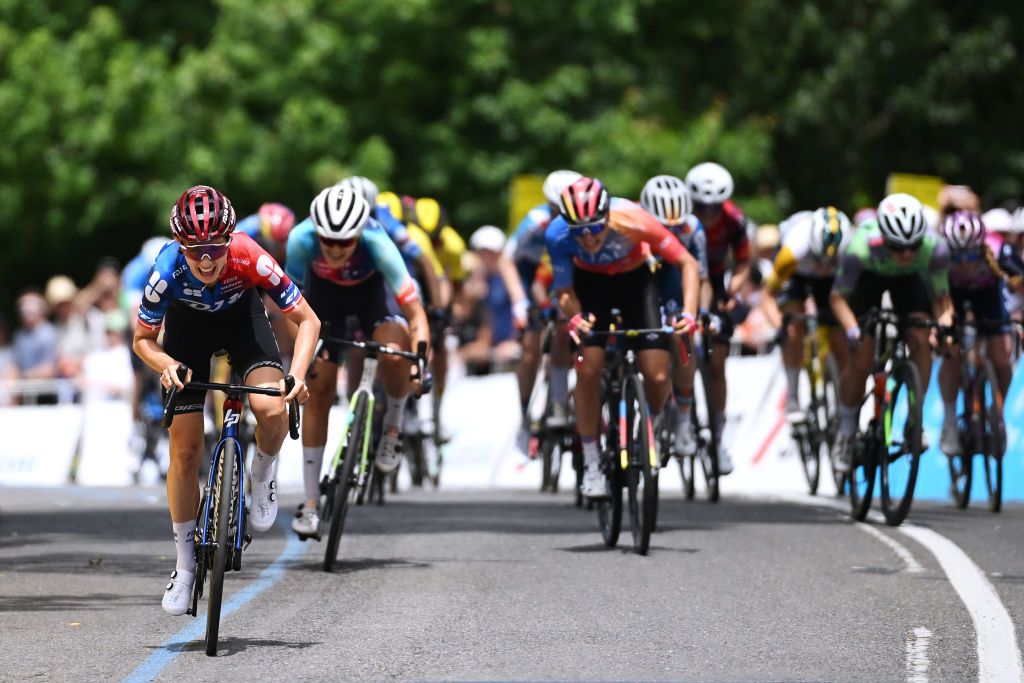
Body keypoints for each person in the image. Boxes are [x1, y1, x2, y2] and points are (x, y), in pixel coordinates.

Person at [132, 185, 319, 616]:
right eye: (195, 250)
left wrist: (297, 373)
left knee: (271, 407)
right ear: (180, 244)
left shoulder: (249, 254)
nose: (206, 260)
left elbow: (307, 320)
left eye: (215, 247)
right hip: (187, 334)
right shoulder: (165, 270)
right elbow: (142, 340)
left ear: (229, 239)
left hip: (242, 322)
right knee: (184, 452)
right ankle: (184, 564)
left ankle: (263, 471)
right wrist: (166, 364)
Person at [285, 185, 429, 539]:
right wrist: (303, 360)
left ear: (359, 234)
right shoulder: (300, 239)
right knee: (318, 388)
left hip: (372, 299)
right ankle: (310, 502)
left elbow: (415, 314)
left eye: (345, 242)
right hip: (323, 304)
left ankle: (393, 427)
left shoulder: (378, 242)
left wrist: (419, 363)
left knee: (394, 353)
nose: (335, 249)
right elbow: (291, 308)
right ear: (316, 232)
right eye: (328, 240)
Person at [547, 177, 699, 498]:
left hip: (635, 282)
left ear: (607, 217)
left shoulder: (633, 219)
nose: (588, 238)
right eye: (579, 231)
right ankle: (591, 463)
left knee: (657, 374)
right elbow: (564, 291)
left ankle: (651, 427)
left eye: (594, 228)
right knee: (588, 368)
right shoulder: (556, 235)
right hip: (590, 286)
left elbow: (687, 262)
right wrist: (575, 316)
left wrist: (689, 314)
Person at [829, 193, 953, 472]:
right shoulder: (860, 248)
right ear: (884, 238)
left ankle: (914, 420)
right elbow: (837, 298)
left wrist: (944, 326)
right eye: (898, 247)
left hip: (909, 282)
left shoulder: (935, 248)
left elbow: (941, 299)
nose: (906, 254)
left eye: (913, 246)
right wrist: (852, 330)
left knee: (921, 338)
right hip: (868, 281)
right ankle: (846, 432)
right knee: (861, 359)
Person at [684, 162, 752, 474]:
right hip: (681, 278)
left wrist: (733, 289)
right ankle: (679, 415)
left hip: (716, 281)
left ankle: (719, 438)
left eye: (715, 208)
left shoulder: (735, 220)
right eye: (702, 207)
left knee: (717, 365)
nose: (709, 214)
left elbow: (743, 262)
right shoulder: (680, 214)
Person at [508, 171, 581, 447]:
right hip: (534, 279)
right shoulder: (535, 221)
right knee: (531, 348)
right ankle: (525, 413)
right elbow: (507, 260)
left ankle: (572, 398)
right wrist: (520, 303)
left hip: (568, 277)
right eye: (556, 210)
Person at [936, 211, 1017, 455]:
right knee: (951, 354)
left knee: (1002, 357)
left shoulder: (998, 249)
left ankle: (996, 411)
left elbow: (1019, 279)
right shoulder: (937, 255)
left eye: (971, 255)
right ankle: (950, 421)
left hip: (988, 296)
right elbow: (934, 296)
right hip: (953, 297)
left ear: (981, 248)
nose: (964, 263)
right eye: (957, 256)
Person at [760, 207, 852, 421]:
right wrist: (780, 326)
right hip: (795, 275)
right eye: (820, 260)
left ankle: (844, 402)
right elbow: (767, 296)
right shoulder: (792, 251)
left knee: (840, 336)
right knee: (793, 326)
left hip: (829, 282)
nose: (824, 267)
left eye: (830, 262)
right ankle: (793, 398)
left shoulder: (850, 249)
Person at [639, 174, 708, 456]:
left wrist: (699, 314)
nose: (669, 231)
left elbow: (701, 278)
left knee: (683, 337)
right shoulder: (633, 221)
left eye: (675, 226)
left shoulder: (693, 228)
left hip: (674, 279)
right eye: (662, 226)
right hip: (641, 278)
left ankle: (683, 421)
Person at [467, 225, 527, 370]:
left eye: (486, 252)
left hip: (514, 345)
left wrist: (515, 341)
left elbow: (521, 308)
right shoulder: (486, 279)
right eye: (480, 252)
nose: (482, 257)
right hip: (496, 346)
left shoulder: (507, 270)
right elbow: (489, 319)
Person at [6, 291, 59, 404]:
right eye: (23, 310)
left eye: (30, 310)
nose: (25, 314)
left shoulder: (48, 334)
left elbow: (48, 370)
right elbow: (15, 364)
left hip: (45, 392)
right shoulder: (20, 335)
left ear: (40, 311)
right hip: (25, 391)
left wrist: (21, 377)